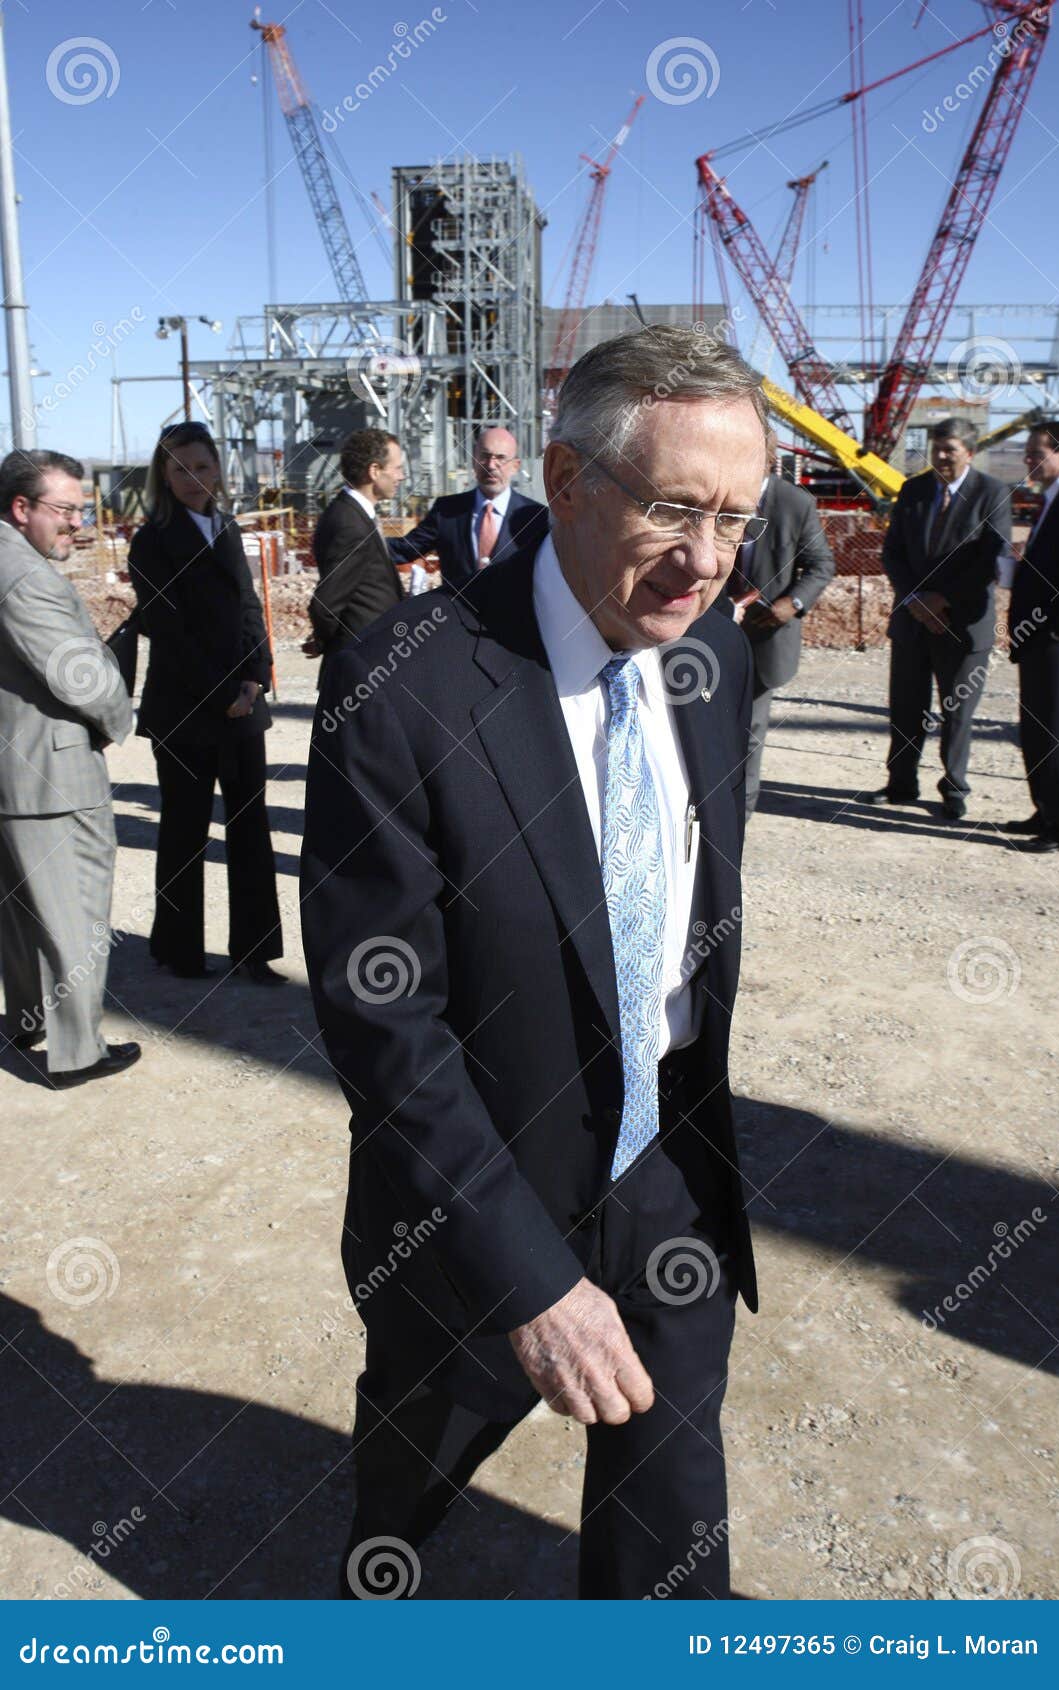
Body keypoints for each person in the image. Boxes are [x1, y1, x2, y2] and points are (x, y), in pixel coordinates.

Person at [302, 325, 769, 1600]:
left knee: (672, 1528)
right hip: (468, 1206)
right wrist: (528, 1278)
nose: (706, 560)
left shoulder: (710, 654)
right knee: (408, 1517)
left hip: (665, 1165)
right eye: (675, 508)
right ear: (563, 481)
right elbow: (382, 1018)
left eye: (736, 518)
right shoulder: (399, 682)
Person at [0, 448, 139, 1086]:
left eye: (82, 510)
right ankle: (77, 1052)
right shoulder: (24, 577)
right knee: (74, 911)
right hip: (50, 773)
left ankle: (29, 1020)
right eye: (65, 510)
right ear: (21, 508)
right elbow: (76, 674)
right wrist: (118, 719)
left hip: (17, 768)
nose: (76, 523)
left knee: (25, 911)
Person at [128, 422, 284, 984]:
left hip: (243, 705)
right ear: (163, 477)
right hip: (186, 710)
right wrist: (224, 693)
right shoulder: (151, 541)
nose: (193, 478)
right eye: (179, 469)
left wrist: (257, 678)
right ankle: (178, 949)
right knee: (184, 831)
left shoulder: (227, 527)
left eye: (202, 465)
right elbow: (169, 631)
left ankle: (254, 949)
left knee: (250, 829)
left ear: (218, 466)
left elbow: (248, 607)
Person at [866, 417, 1011, 821]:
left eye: (950, 449)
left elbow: (989, 557)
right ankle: (901, 784)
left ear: (970, 451)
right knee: (906, 707)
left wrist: (941, 600)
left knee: (957, 712)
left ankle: (954, 789)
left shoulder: (992, 492)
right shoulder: (913, 490)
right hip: (913, 620)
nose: (941, 457)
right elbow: (892, 552)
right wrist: (916, 598)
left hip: (962, 624)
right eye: (936, 449)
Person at [721, 438, 835, 817]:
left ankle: (742, 809)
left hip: (764, 634)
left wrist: (794, 603)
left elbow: (820, 565)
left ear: (771, 458)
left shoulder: (796, 503)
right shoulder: (720, 488)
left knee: (751, 729)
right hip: (713, 627)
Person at [389, 426, 549, 594]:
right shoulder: (446, 511)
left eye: (500, 458)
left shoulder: (535, 517)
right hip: (456, 615)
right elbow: (404, 550)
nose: (491, 465)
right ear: (474, 460)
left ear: (515, 466)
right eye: (485, 456)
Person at [1005, 420, 1059, 853]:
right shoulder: (1049, 500)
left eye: (1036, 451)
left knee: (1056, 730)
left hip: (1057, 639)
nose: (1028, 459)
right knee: (1037, 727)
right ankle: (1045, 807)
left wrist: (1055, 629)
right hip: (1037, 637)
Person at [304, 430, 405, 666]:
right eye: (397, 468)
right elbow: (326, 604)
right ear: (374, 471)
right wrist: (325, 641)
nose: (401, 477)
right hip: (362, 663)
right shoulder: (351, 525)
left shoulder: (353, 515)